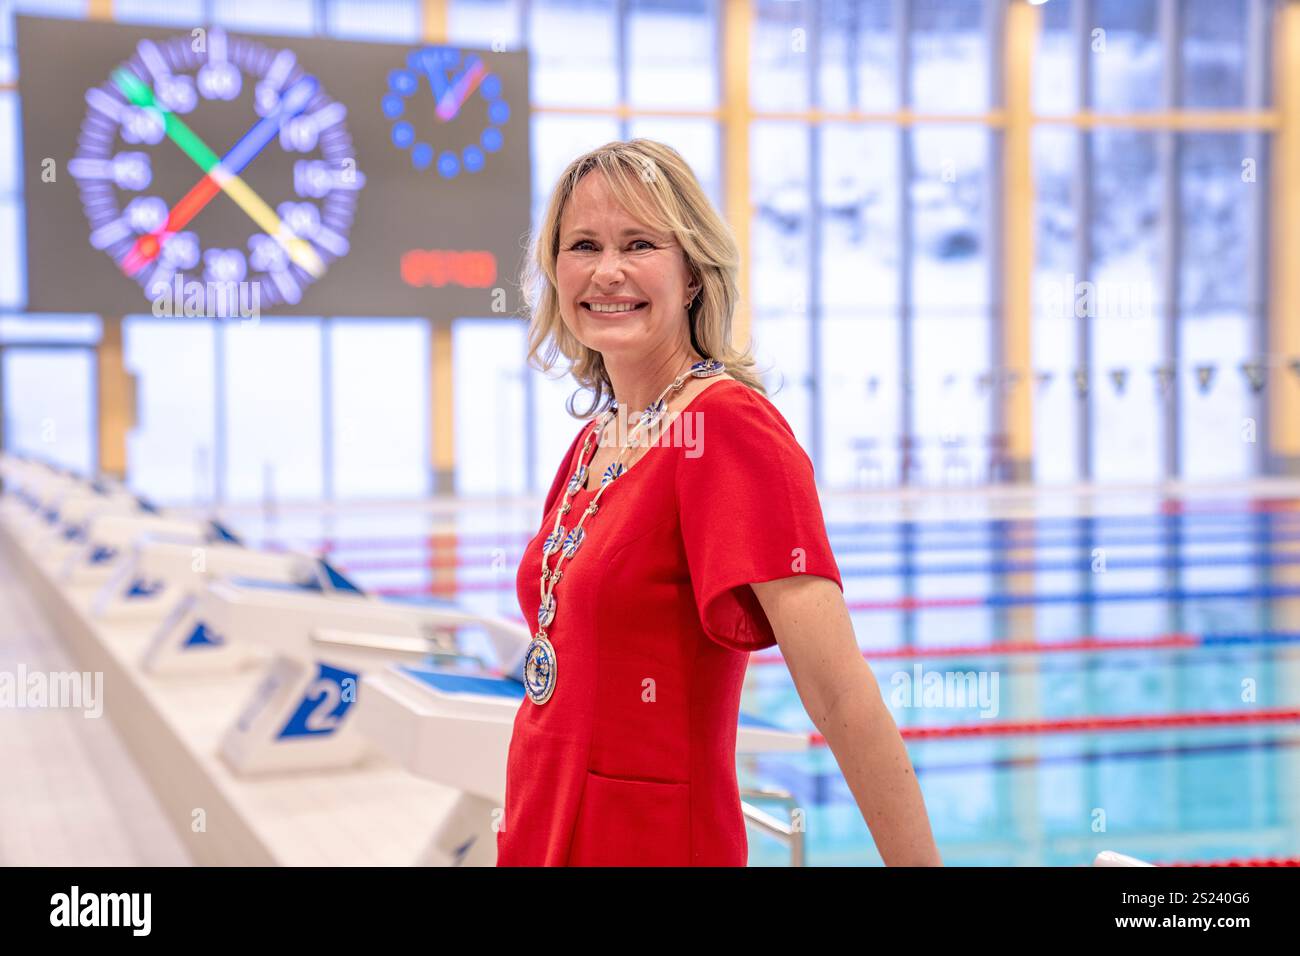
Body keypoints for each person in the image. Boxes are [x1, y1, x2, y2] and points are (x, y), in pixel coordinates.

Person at [496, 138, 941, 867]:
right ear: (555, 270)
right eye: (583, 245)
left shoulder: (728, 430)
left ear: (693, 272)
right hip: (546, 828)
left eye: (638, 243)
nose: (607, 270)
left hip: (650, 843)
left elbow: (839, 695)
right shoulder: (596, 442)